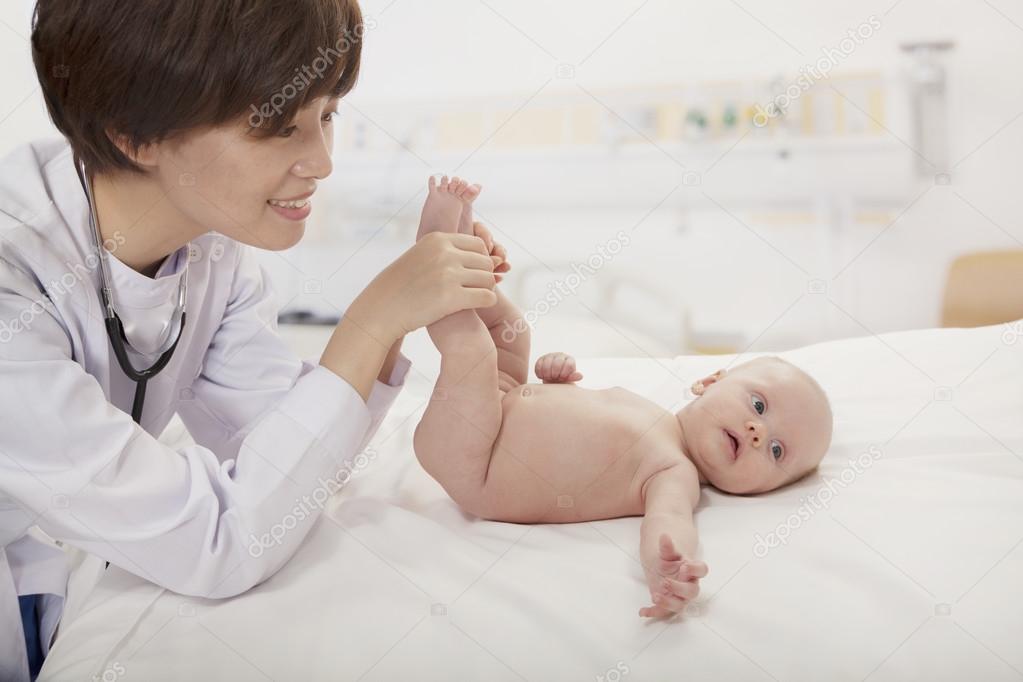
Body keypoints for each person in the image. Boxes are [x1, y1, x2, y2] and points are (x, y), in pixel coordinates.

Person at [0, 1, 507, 679]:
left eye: (327, 115)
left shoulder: (209, 255)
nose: (322, 161)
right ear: (133, 134)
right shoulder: (13, 276)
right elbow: (221, 544)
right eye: (278, 129)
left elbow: (291, 454)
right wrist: (372, 321)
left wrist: (416, 308)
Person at [411, 176, 834, 619]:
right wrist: (554, 381)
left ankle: (435, 250)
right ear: (708, 382)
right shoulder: (655, 416)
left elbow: (669, 524)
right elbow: (569, 428)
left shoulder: (675, 474)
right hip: (501, 404)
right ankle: (466, 260)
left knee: (472, 348)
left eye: (776, 450)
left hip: (477, 461)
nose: (756, 431)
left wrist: (670, 569)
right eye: (759, 406)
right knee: (512, 332)